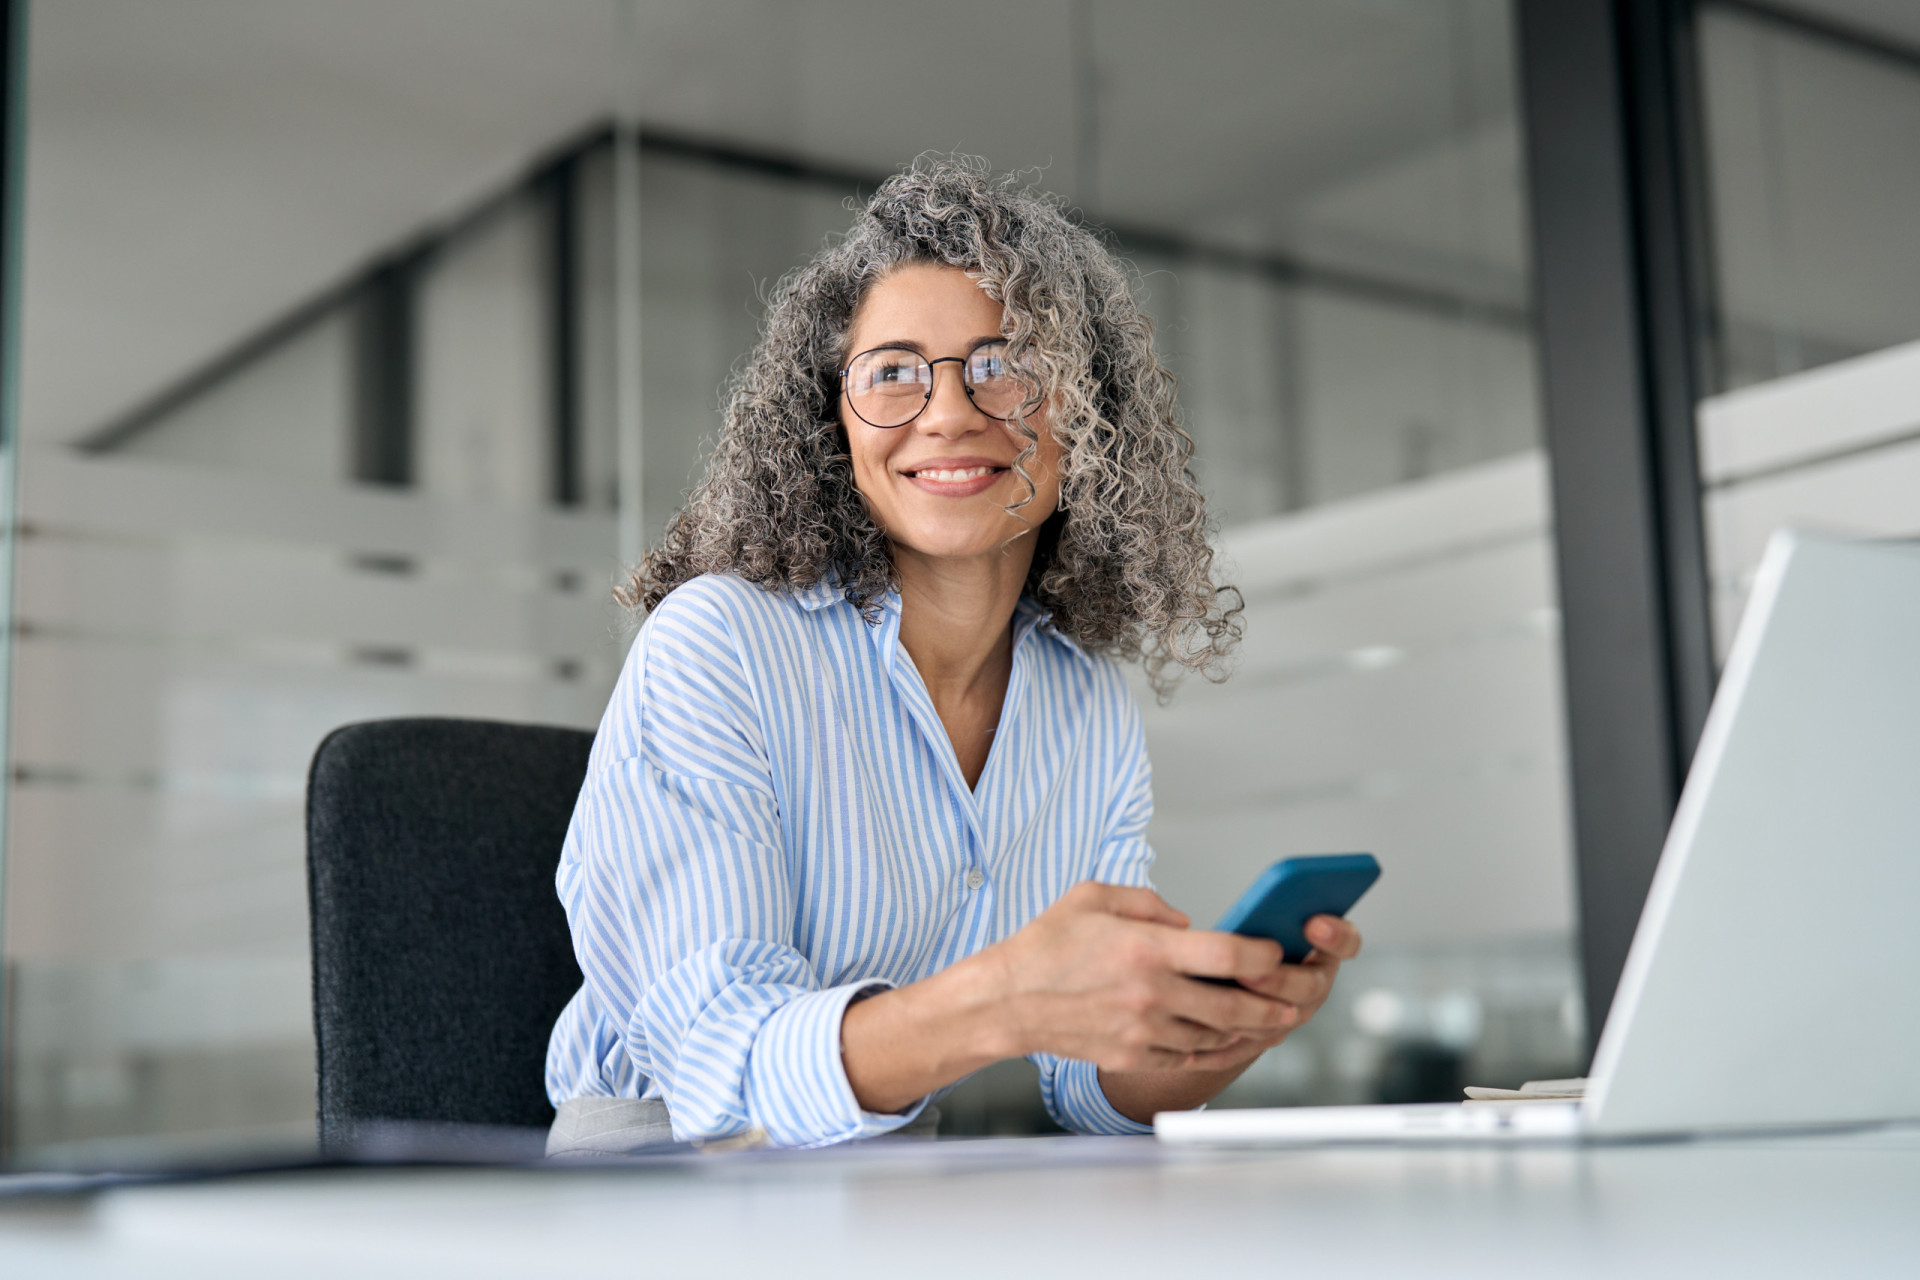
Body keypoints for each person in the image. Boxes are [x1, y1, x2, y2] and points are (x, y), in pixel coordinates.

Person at [543, 156, 1362, 1155]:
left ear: (1083, 412)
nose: (947, 413)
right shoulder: (719, 644)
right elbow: (725, 1069)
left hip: (892, 1196)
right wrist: (1008, 994)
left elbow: (1089, 1087)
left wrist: (1222, 1024)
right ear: (830, 420)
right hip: (661, 1199)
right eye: (892, 370)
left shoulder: (1083, 703)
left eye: (1003, 361)